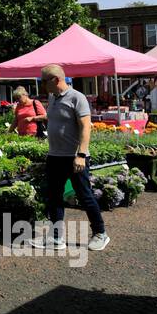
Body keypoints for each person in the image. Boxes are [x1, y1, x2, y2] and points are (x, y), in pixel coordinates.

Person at [31, 64, 110, 252]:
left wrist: (81, 154)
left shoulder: (77, 97)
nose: (41, 84)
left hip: (74, 157)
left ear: (56, 79)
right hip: (55, 157)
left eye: (44, 80)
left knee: (85, 196)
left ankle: (100, 233)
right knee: (54, 197)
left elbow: (85, 127)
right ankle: (56, 238)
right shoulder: (53, 98)